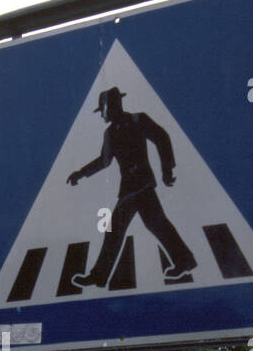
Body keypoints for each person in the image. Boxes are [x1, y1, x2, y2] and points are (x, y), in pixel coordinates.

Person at [67, 87, 198, 290]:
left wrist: (167, 169)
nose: (102, 114)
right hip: (130, 188)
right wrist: (80, 173)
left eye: (102, 110)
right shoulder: (109, 133)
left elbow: (161, 137)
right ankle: (184, 261)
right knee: (154, 224)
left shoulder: (138, 120)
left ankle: (99, 276)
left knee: (119, 229)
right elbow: (104, 161)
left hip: (141, 184)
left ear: (110, 106)